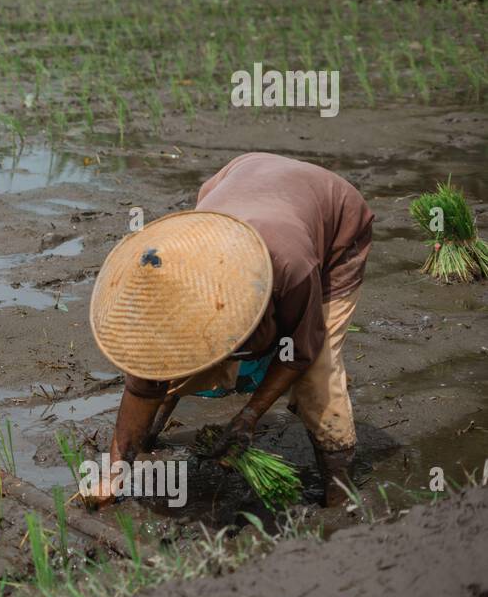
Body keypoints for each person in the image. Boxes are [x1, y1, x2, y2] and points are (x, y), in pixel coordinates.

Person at [86, 153, 373, 507]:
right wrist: (113, 474)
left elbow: (299, 351)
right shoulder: (171, 280)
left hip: (334, 225)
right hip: (236, 177)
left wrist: (248, 417)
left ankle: (339, 493)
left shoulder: (291, 266)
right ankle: (146, 439)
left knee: (318, 374)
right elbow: (142, 385)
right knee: (183, 355)